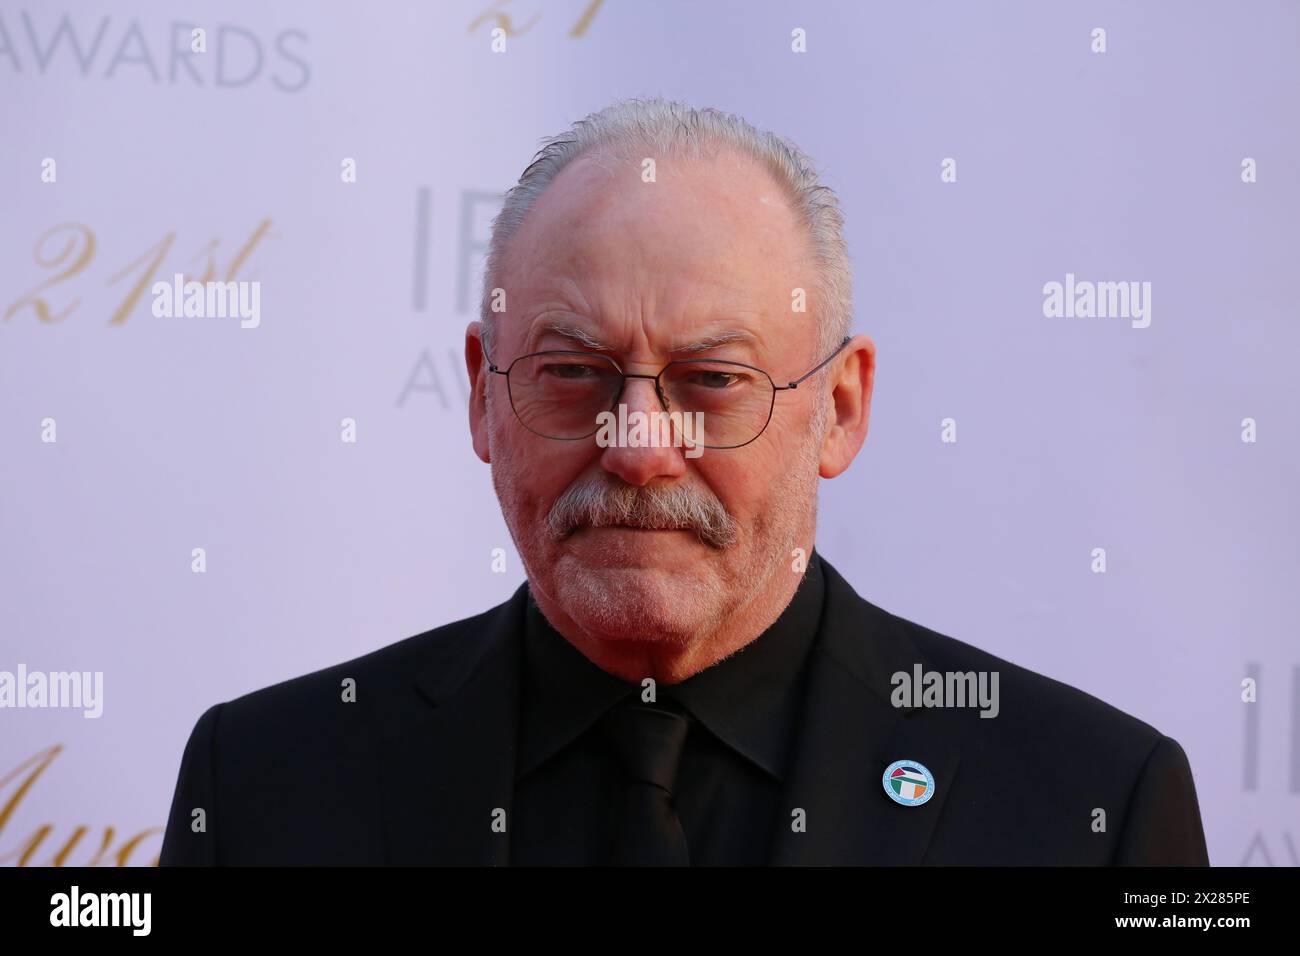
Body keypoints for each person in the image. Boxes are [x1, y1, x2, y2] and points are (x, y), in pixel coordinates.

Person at [160, 97, 1208, 866]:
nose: (637, 443)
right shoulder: (261, 783)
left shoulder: (1089, 804)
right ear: (482, 394)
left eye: (712, 380)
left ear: (839, 406)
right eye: (572, 373)